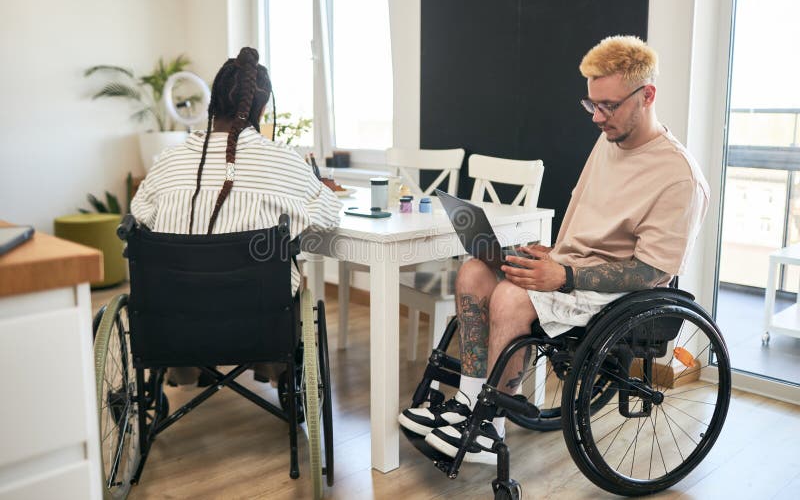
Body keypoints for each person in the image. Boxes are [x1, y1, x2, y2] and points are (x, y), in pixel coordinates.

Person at [399, 35, 709, 464]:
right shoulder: (610, 139)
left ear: (647, 95)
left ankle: (489, 425)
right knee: (474, 270)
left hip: (616, 292)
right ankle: (470, 404)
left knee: (509, 294)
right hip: (570, 269)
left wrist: (566, 275)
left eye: (609, 106)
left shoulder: (679, 178)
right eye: (592, 105)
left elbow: (653, 271)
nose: (598, 118)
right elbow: (586, 220)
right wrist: (553, 253)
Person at [131, 47, 342, 386]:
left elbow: (139, 216)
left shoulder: (167, 162)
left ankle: (184, 369)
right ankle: (274, 370)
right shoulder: (284, 162)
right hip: (257, 325)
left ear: (212, 102)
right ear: (261, 107)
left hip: (174, 323)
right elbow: (330, 215)